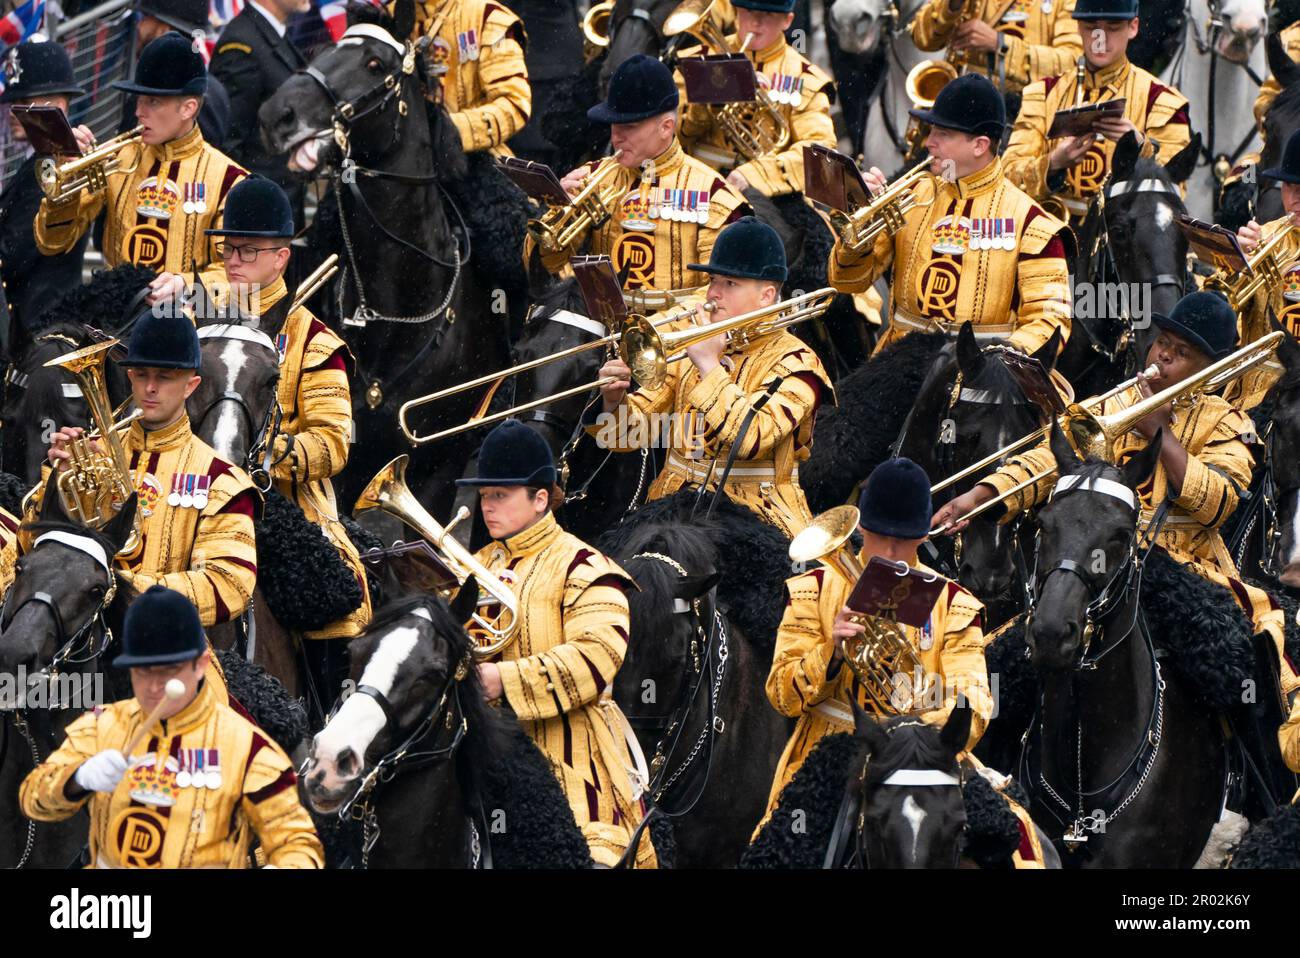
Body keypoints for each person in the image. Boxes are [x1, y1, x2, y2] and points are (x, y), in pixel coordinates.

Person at [933, 291, 1291, 683]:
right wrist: (981, 496)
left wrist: (1160, 432)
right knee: (1005, 668)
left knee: (1240, 669)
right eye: (1162, 343)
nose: (1163, 356)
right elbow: (1049, 459)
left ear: (1209, 369)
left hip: (1183, 571)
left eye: (1182, 352)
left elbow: (1219, 504)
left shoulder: (1228, 422)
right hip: (1091, 567)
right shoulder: (1110, 403)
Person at [154, 176, 372, 703]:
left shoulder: (314, 339)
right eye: (228, 249)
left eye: (248, 252)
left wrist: (271, 454)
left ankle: (326, 710)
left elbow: (333, 442)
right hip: (183, 485)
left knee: (335, 606)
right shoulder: (191, 318)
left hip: (281, 503)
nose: (233, 262)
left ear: (280, 258)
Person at [457, 420, 656, 868]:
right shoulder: (472, 565)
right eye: (485, 495)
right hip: (481, 756)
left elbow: (595, 659)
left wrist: (500, 680)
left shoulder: (587, 567)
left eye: (500, 496)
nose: (487, 508)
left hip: (574, 762)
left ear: (541, 499)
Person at [20, 585, 323, 868]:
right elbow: (34, 800)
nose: (154, 687)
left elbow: (298, 841)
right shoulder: (101, 727)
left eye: (169, 671)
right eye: (142, 671)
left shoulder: (248, 747)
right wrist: (77, 779)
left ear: (202, 663)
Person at [762, 458, 993, 817]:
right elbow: (781, 695)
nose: (888, 553)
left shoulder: (955, 604)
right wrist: (831, 654)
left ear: (921, 535)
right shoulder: (812, 590)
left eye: (901, 542)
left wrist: (914, 732)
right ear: (861, 529)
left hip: (920, 761)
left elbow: (974, 700)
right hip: (826, 756)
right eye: (878, 537)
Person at [590, 216, 832, 538]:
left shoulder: (798, 362)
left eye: (729, 284)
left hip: (755, 517)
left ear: (766, 295)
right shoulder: (695, 344)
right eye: (713, 280)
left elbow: (750, 439)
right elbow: (624, 437)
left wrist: (708, 365)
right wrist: (614, 398)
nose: (712, 294)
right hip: (672, 508)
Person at [26, 308, 259, 628]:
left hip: (167, 647)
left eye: (164, 377)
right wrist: (56, 482)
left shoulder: (221, 479)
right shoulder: (92, 452)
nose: (150, 387)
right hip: (79, 636)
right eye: (140, 373)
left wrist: (124, 590)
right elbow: (30, 549)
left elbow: (229, 585)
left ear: (191, 385)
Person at [828, 73, 1072, 356]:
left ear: (980, 145)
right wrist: (863, 222)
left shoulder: (1033, 223)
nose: (928, 142)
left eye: (943, 134)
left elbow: (1050, 319)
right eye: (931, 131)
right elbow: (846, 281)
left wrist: (998, 365)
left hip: (980, 371)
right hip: (897, 363)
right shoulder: (910, 196)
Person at [34, 32, 247, 279]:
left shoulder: (231, 180)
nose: (138, 111)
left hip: (187, 315)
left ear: (188, 108)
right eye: (138, 99)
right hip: (115, 313)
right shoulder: (115, 159)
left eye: (153, 102)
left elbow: (237, 275)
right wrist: (67, 181)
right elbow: (52, 243)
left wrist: (186, 286)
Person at [538, 54, 749, 300]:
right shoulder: (593, 177)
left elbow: (722, 294)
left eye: (629, 126)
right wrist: (558, 212)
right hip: (602, 325)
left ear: (666, 127)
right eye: (613, 124)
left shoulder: (714, 195)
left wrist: (654, 333)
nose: (616, 137)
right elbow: (548, 266)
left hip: (680, 332)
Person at [1001, 0, 1191, 223]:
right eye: (1091, 27)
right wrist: (1052, 164)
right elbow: (1007, 178)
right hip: (1049, 240)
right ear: (1078, 28)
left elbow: (1176, 187)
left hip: (1123, 247)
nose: (1101, 38)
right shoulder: (1042, 94)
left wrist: (1141, 147)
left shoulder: (1161, 100)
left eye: (1113, 27)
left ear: (1133, 27)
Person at [674, 0, 836, 198]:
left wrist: (756, 174)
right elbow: (668, 137)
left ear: (787, 21)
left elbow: (819, 152)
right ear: (736, 11)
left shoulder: (805, 78)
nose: (756, 22)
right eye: (749, 11)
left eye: (768, 14)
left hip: (770, 197)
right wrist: (710, 96)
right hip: (697, 189)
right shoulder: (694, 63)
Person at [0, 40, 89, 344]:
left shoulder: (55, 165)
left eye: (25, 100)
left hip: (41, 329)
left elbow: (13, 255)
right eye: (12, 101)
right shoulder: (39, 161)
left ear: (58, 105)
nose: (13, 111)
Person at [209, 0, 310, 230]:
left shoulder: (271, 34)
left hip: (280, 205)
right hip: (257, 218)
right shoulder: (241, 45)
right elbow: (227, 144)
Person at [399, 0, 532, 156]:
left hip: (472, 158)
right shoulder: (388, 15)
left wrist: (449, 130)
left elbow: (515, 104)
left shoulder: (489, 17)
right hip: (401, 158)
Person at [1231, 128, 1300, 410]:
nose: (1295, 200)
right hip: (1256, 398)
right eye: (1288, 187)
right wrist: (1233, 264)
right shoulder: (1261, 237)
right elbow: (1223, 312)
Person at [910, 0, 1083, 99]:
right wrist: (952, 6)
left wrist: (999, 43)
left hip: (1026, 119)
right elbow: (922, 40)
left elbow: (1073, 63)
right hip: (962, 110)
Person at [124, 0, 232, 146]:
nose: (139, 25)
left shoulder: (185, 91)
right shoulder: (212, 88)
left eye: (146, 17)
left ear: (163, 30)